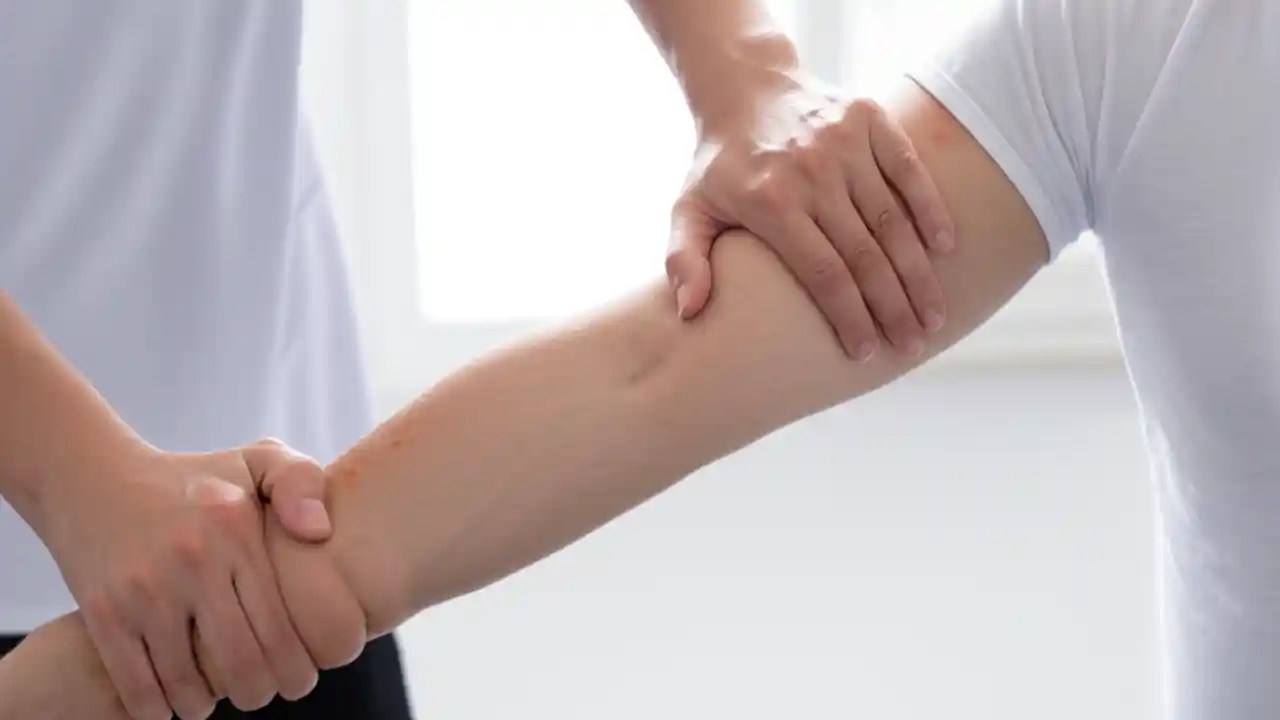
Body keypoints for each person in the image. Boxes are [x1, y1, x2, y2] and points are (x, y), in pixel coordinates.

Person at [9, 0, 1280, 718]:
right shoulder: (1148, 39)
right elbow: (650, 378)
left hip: (243, 555)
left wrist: (746, 72)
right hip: (199, 587)